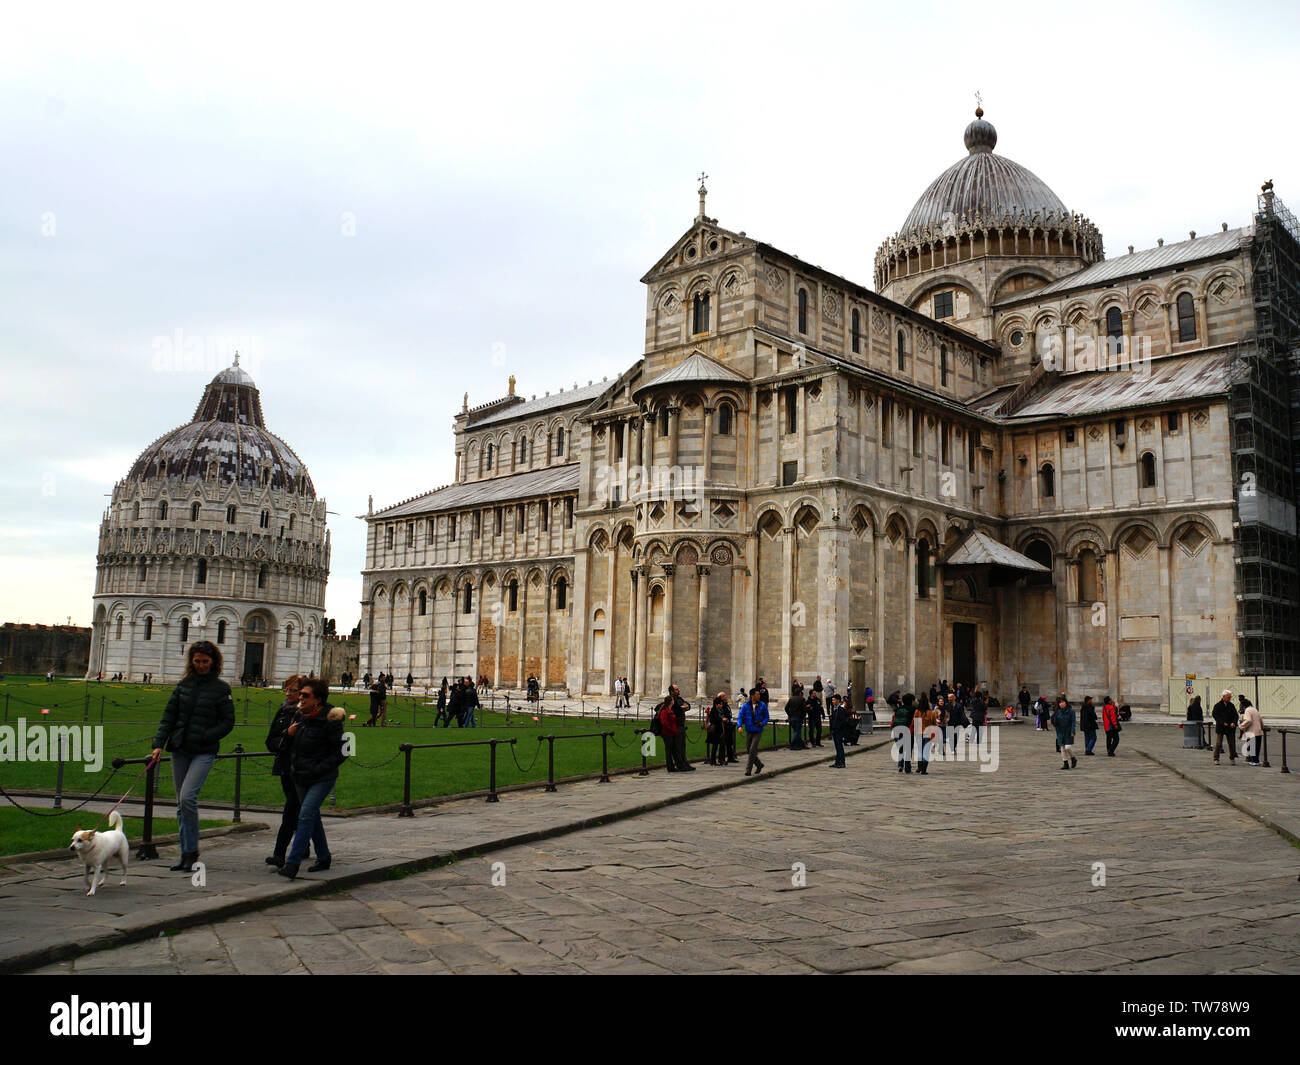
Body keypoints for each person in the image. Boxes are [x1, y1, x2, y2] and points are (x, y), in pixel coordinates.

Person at [150, 641, 235, 873]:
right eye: (197, 661)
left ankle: (191, 850)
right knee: (181, 804)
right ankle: (187, 852)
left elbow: (228, 722)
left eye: (205, 661)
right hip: (180, 748)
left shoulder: (221, 689)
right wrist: (158, 745)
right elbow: (168, 716)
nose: (200, 665)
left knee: (188, 798)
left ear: (213, 662)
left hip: (204, 751)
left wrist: (208, 736)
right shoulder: (183, 685)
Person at [278, 679, 346, 879]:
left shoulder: (332, 720)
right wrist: (288, 735)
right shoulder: (300, 716)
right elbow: (293, 746)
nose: (300, 698)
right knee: (312, 817)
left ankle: (293, 862)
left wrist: (321, 768)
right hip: (300, 776)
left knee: (306, 815)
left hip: (322, 777)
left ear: (318, 699)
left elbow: (344, 751)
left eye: (305, 695)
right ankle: (323, 857)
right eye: (300, 694)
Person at [265, 675, 305, 868]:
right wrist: (285, 736)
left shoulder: (307, 714)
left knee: (290, 811)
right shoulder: (282, 712)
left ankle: (279, 853)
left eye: (293, 690)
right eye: (287, 690)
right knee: (301, 811)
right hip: (284, 767)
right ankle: (305, 845)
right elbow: (269, 741)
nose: (288, 693)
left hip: (301, 771)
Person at [738, 687, 768, 776]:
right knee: (749, 749)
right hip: (749, 729)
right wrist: (739, 726)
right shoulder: (745, 706)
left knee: (752, 749)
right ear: (752, 696)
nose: (759, 696)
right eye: (757, 694)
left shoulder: (762, 705)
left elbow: (766, 717)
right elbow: (740, 716)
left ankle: (748, 770)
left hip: (758, 730)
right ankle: (759, 764)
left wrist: (762, 723)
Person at [1211, 690, 1238, 766]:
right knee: (1218, 743)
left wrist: (1234, 722)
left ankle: (1232, 757)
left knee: (1232, 744)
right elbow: (1215, 715)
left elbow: (1236, 715)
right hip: (1221, 727)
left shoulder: (1231, 705)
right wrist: (1222, 722)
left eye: (1230, 697)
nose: (1229, 699)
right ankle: (1216, 758)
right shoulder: (1218, 705)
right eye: (1228, 697)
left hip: (1230, 727)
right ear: (1223, 697)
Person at [656, 692, 682, 772]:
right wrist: (672, 729)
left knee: (672, 750)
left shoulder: (669, 709)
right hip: (667, 733)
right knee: (668, 751)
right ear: (671, 701)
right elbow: (664, 723)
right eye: (673, 700)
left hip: (672, 733)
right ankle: (670, 767)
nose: (674, 701)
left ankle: (675, 766)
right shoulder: (664, 711)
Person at [892, 692, 915, 773]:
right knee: (908, 750)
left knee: (901, 749)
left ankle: (900, 765)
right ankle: (908, 768)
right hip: (908, 730)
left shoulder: (899, 708)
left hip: (897, 730)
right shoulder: (913, 709)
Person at [1238, 696, 1263, 766]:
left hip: (1252, 731)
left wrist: (1241, 726)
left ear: (1244, 706)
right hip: (1258, 731)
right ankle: (1256, 760)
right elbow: (1260, 720)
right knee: (1257, 747)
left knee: (1252, 747)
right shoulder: (1255, 709)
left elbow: (1248, 720)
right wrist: (1261, 727)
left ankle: (1254, 761)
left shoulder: (1247, 710)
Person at [1054, 697, 1076, 769]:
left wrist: (1073, 731)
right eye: (1060, 703)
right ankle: (1065, 763)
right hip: (1060, 731)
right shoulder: (1058, 712)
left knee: (1068, 747)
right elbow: (1055, 723)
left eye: (1063, 702)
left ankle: (1073, 758)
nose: (1061, 704)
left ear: (1066, 702)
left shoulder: (1071, 711)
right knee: (1062, 748)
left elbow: (1073, 722)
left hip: (1068, 731)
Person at [828, 694, 849, 768]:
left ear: (838, 700)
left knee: (839, 747)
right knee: (837, 747)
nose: (832, 702)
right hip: (835, 730)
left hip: (839, 731)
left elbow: (843, 721)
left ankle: (842, 762)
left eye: (834, 700)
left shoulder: (841, 709)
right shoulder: (834, 709)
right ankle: (837, 761)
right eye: (832, 700)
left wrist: (839, 728)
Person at [705, 694, 726, 766]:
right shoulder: (714, 710)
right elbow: (713, 720)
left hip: (719, 730)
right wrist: (721, 719)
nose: (722, 705)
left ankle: (719, 760)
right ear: (717, 705)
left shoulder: (719, 710)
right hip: (715, 731)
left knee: (718, 745)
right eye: (720, 704)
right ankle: (713, 760)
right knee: (715, 746)